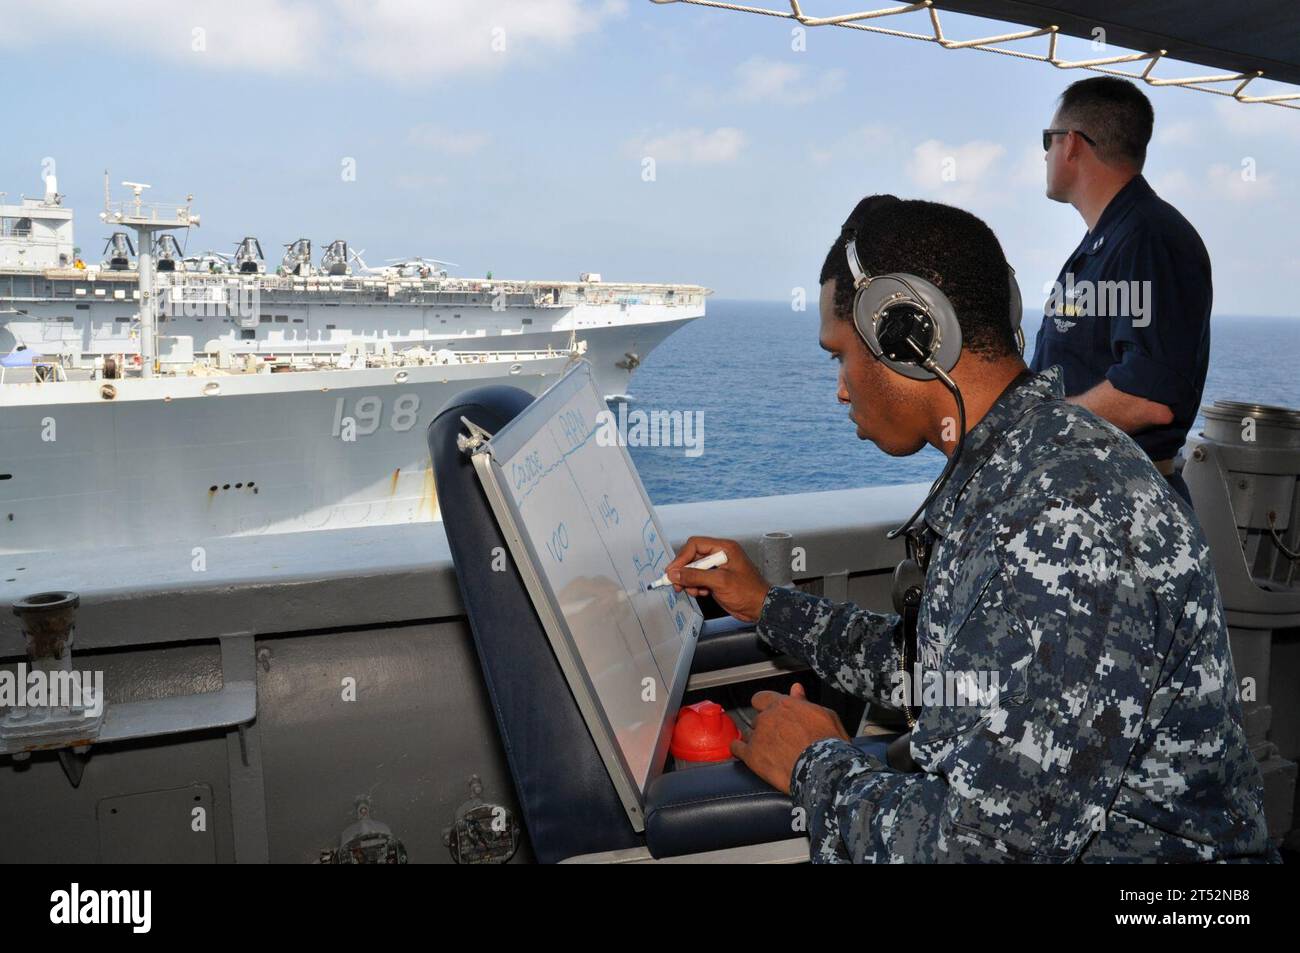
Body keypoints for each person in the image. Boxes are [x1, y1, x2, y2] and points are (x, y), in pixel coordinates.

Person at [664, 195, 1275, 863]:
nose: (840, 388)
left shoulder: (1064, 514)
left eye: (839, 355)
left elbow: (998, 849)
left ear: (909, 334)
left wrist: (816, 765)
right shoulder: (1021, 463)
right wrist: (766, 604)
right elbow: (938, 675)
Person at [1032, 76, 1212, 504]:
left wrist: (1036, 423)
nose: (1045, 155)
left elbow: (1148, 397)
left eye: (1048, 140)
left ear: (1072, 144)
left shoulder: (1149, 238)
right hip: (1093, 493)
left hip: (1122, 505)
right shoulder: (1112, 240)